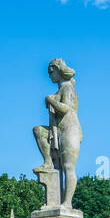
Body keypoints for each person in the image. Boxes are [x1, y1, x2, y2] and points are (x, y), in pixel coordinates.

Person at [32, 58, 82, 207]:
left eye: (51, 72)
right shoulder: (59, 90)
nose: (49, 75)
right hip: (58, 130)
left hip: (70, 129)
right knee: (39, 131)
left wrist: (50, 100)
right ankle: (48, 162)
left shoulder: (67, 87)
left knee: (68, 167)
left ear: (59, 71)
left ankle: (67, 203)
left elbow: (66, 109)